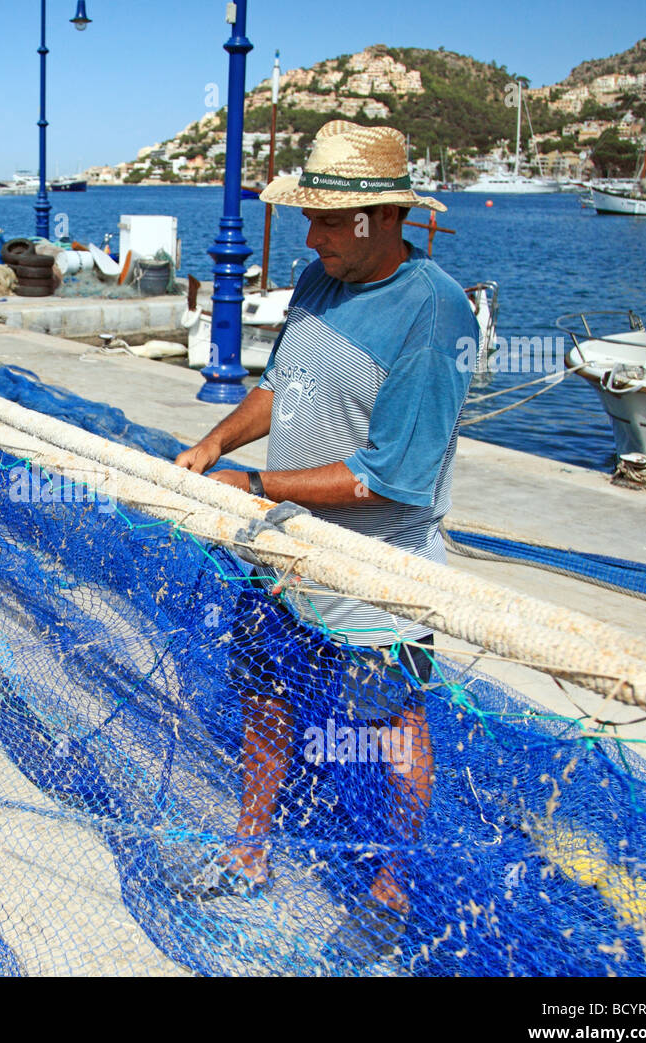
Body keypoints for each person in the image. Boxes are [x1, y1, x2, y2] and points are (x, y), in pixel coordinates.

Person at [174, 120, 477, 960]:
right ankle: (250, 849)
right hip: (283, 562)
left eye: (323, 221)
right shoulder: (319, 277)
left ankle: (391, 887)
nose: (307, 237)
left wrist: (257, 487)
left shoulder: (434, 313)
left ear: (380, 219)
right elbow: (280, 387)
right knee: (265, 702)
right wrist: (217, 446)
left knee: (389, 734)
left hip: (377, 581)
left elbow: (392, 478)